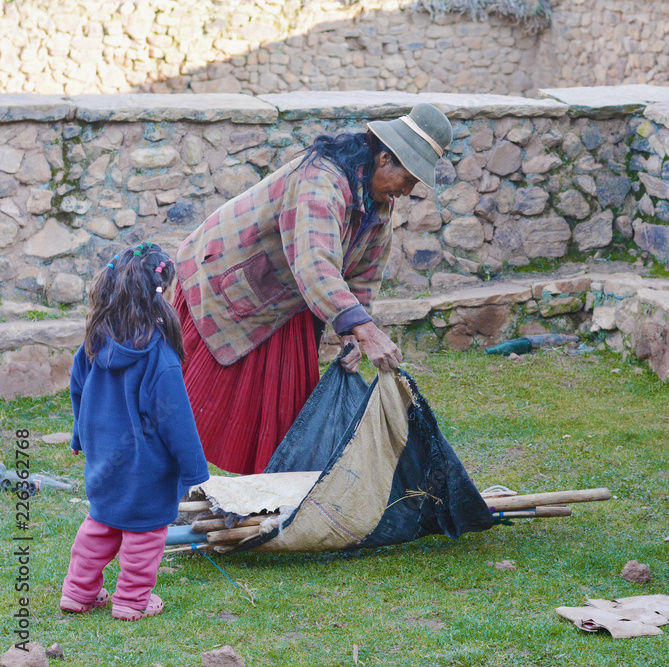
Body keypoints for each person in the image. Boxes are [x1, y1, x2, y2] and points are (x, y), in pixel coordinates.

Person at [173, 103, 453, 475]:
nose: (407, 190)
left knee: (284, 416)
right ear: (385, 158)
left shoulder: (379, 207)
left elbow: (364, 277)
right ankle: (161, 489)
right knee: (186, 410)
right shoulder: (320, 181)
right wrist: (367, 333)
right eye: (408, 179)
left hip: (286, 300)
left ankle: (268, 496)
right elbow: (314, 262)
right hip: (225, 283)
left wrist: (352, 336)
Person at [61, 242, 210, 621]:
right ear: (159, 295)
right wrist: (195, 470)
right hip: (146, 468)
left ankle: (79, 592)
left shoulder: (93, 343)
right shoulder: (160, 355)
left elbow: (78, 392)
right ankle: (132, 600)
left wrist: (79, 437)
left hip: (103, 460)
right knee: (144, 535)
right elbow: (176, 418)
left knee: (101, 524)